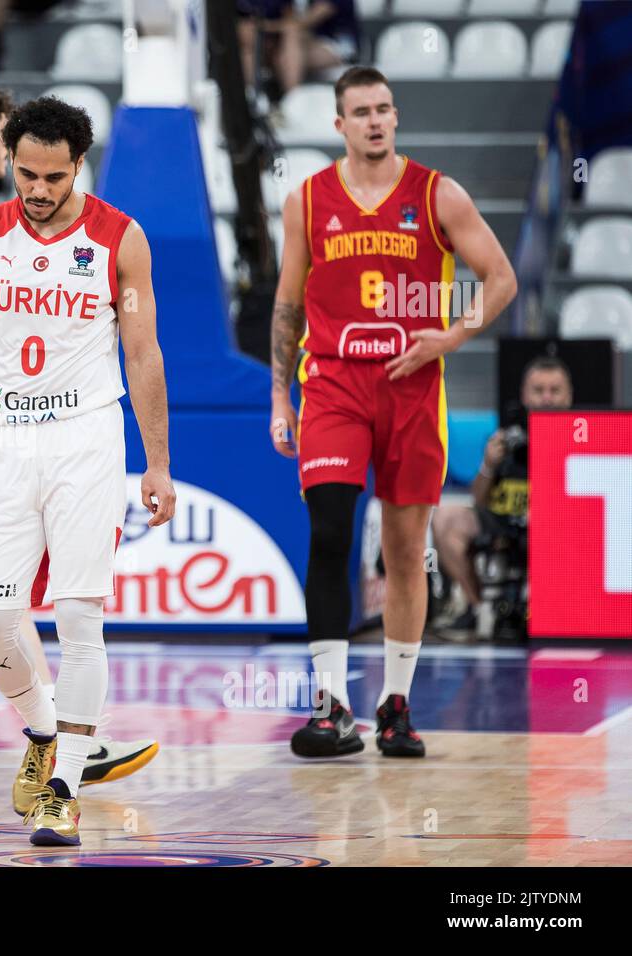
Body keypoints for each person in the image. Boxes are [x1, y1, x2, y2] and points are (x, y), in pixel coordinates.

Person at [0, 96, 176, 846]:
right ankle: (42, 730)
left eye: (52, 177)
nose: (35, 189)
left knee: (78, 617)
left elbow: (143, 352)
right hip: (0, 440)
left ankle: (63, 789)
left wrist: (157, 462)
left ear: (78, 167)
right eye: (25, 173)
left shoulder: (120, 239)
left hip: (86, 439)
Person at [269, 66, 518, 760]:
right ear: (339, 124)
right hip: (334, 386)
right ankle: (331, 705)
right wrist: (277, 397)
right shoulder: (308, 201)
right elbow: (288, 303)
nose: (375, 120)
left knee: (407, 551)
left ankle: (395, 704)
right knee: (329, 533)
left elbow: (500, 278)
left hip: (412, 389)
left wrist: (455, 332)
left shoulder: (439, 194)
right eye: (361, 111)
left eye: (384, 109)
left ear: (395, 117)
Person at [431, 355, 572, 626]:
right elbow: (479, 500)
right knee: (446, 518)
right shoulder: (506, 436)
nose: (546, 398)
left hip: (556, 525)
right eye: (538, 390)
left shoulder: (583, 437)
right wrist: (488, 465)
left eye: (554, 390)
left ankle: (550, 611)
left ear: (568, 395)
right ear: (524, 394)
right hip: (502, 520)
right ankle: (479, 609)